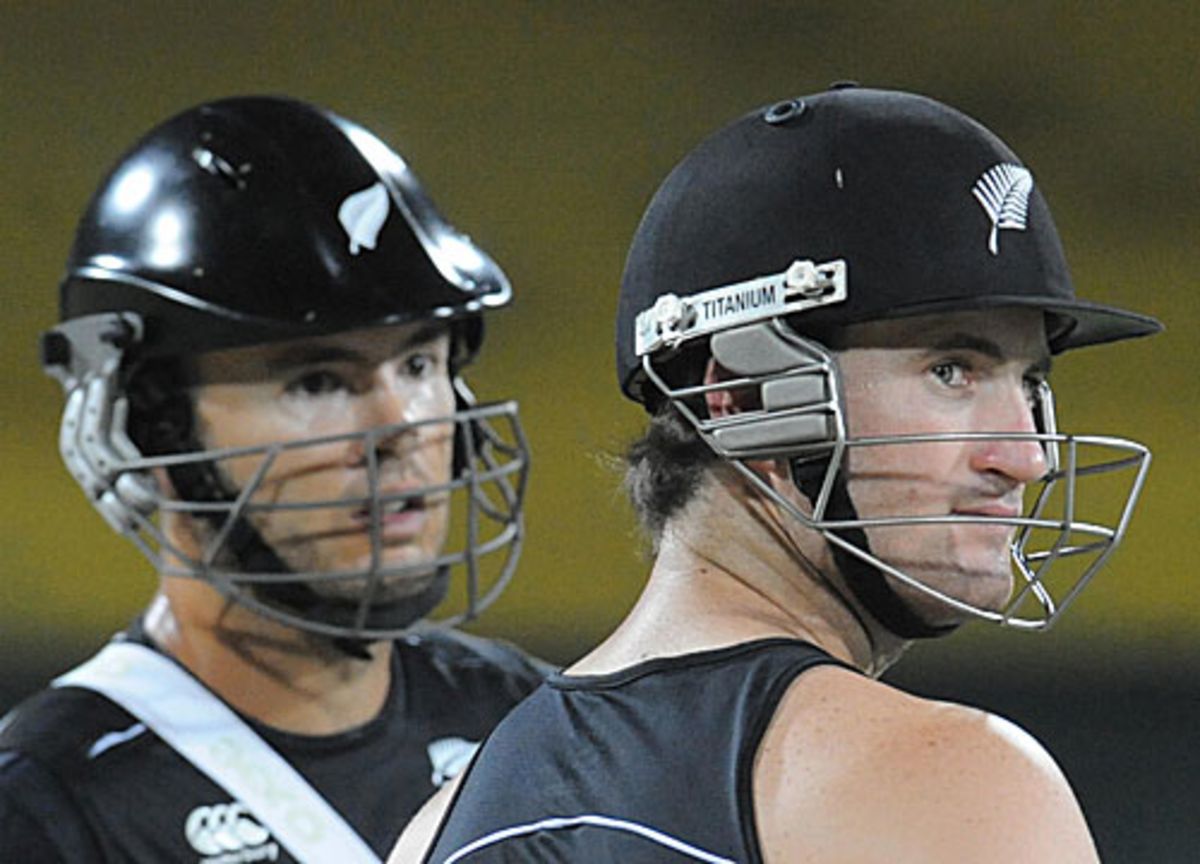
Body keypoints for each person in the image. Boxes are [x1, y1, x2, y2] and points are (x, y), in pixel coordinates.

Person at [393, 85, 1162, 863]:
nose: (1027, 455)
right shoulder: (952, 781)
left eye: (1032, 382)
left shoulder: (440, 828)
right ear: (741, 396)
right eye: (952, 370)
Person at [0, 95, 548, 863]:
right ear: (151, 424)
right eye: (319, 381)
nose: (402, 430)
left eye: (420, 362)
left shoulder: (534, 724)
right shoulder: (43, 809)